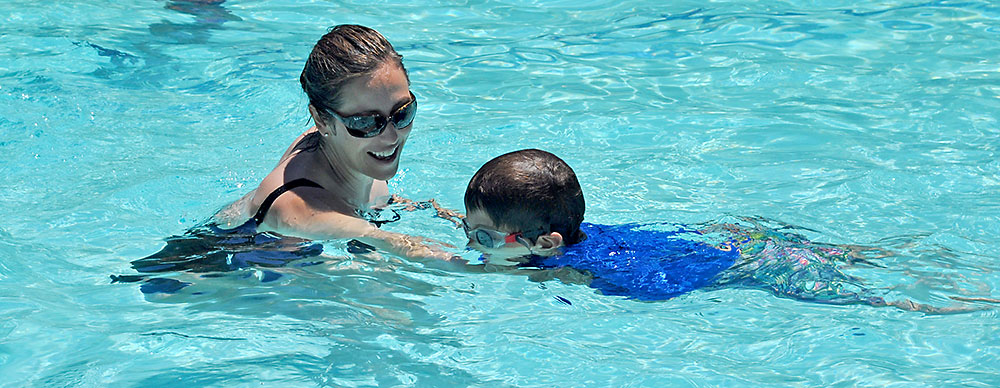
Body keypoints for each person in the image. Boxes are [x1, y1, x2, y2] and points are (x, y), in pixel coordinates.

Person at [458, 149, 979, 313]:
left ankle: (938, 305)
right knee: (850, 257)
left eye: (482, 237)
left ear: (545, 243)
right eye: (467, 227)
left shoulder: (565, 267)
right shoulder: (566, 232)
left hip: (745, 264)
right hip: (735, 241)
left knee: (868, 301)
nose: (470, 244)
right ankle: (902, 255)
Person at [210, 24, 452, 260]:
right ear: (322, 121)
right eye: (365, 122)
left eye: (403, 112)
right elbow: (397, 246)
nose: (391, 136)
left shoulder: (348, 150)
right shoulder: (296, 204)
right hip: (218, 270)